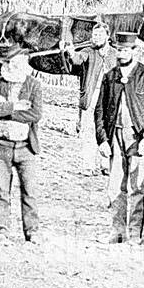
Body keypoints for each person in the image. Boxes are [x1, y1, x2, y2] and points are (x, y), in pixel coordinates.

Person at [94, 30, 144, 245]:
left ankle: (134, 234)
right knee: (115, 187)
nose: (120, 53)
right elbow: (99, 110)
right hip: (115, 138)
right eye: (118, 49)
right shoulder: (110, 77)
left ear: (136, 51)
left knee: (137, 187)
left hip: (139, 140)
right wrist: (102, 140)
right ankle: (117, 232)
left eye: (125, 50)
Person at [0, 49, 43, 242]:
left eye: (19, 61)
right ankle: (2, 231)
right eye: (11, 62)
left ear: (25, 63)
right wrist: (15, 107)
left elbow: (35, 115)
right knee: (1, 189)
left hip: (26, 147)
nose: (15, 65)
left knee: (30, 191)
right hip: (2, 146)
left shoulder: (34, 85)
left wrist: (6, 110)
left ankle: (32, 232)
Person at [63, 21, 113, 176]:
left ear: (107, 36)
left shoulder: (115, 55)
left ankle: (106, 165)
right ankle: (88, 165)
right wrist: (71, 53)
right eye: (94, 34)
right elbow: (78, 59)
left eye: (99, 34)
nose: (96, 37)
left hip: (108, 99)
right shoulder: (88, 51)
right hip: (91, 97)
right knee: (88, 131)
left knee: (107, 131)